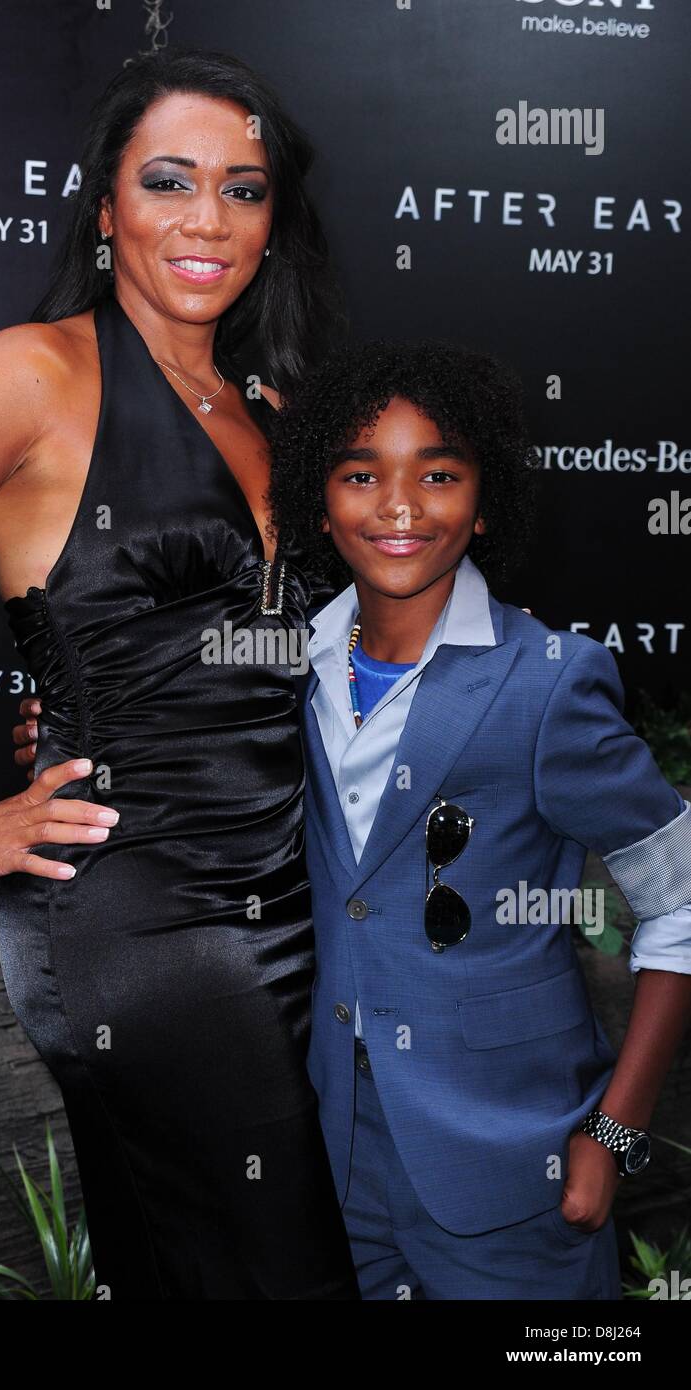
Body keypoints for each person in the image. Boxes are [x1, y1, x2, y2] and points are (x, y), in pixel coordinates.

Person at [0, 49, 360, 1299]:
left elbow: (279, 655)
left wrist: (90, 682)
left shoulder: (269, 405)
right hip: (147, 919)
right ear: (106, 206)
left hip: (289, 896)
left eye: (245, 187)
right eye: (168, 180)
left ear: (277, 221)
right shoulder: (32, 375)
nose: (207, 219)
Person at [263, 338, 691, 1299]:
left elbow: (682, 903)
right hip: (331, 1154)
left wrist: (612, 1135)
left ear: (483, 501)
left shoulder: (547, 682)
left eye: (440, 473)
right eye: (360, 473)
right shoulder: (283, 667)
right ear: (316, 504)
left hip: (516, 1167)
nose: (400, 505)